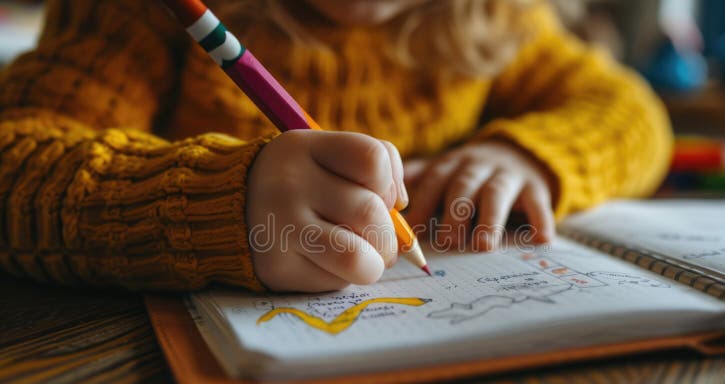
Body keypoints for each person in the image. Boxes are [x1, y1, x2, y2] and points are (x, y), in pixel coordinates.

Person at [0, 0, 671, 292]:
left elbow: (632, 111)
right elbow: (16, 161)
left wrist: (527, 155)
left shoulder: (494, 18)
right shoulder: (140, 13)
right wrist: (220, 203)